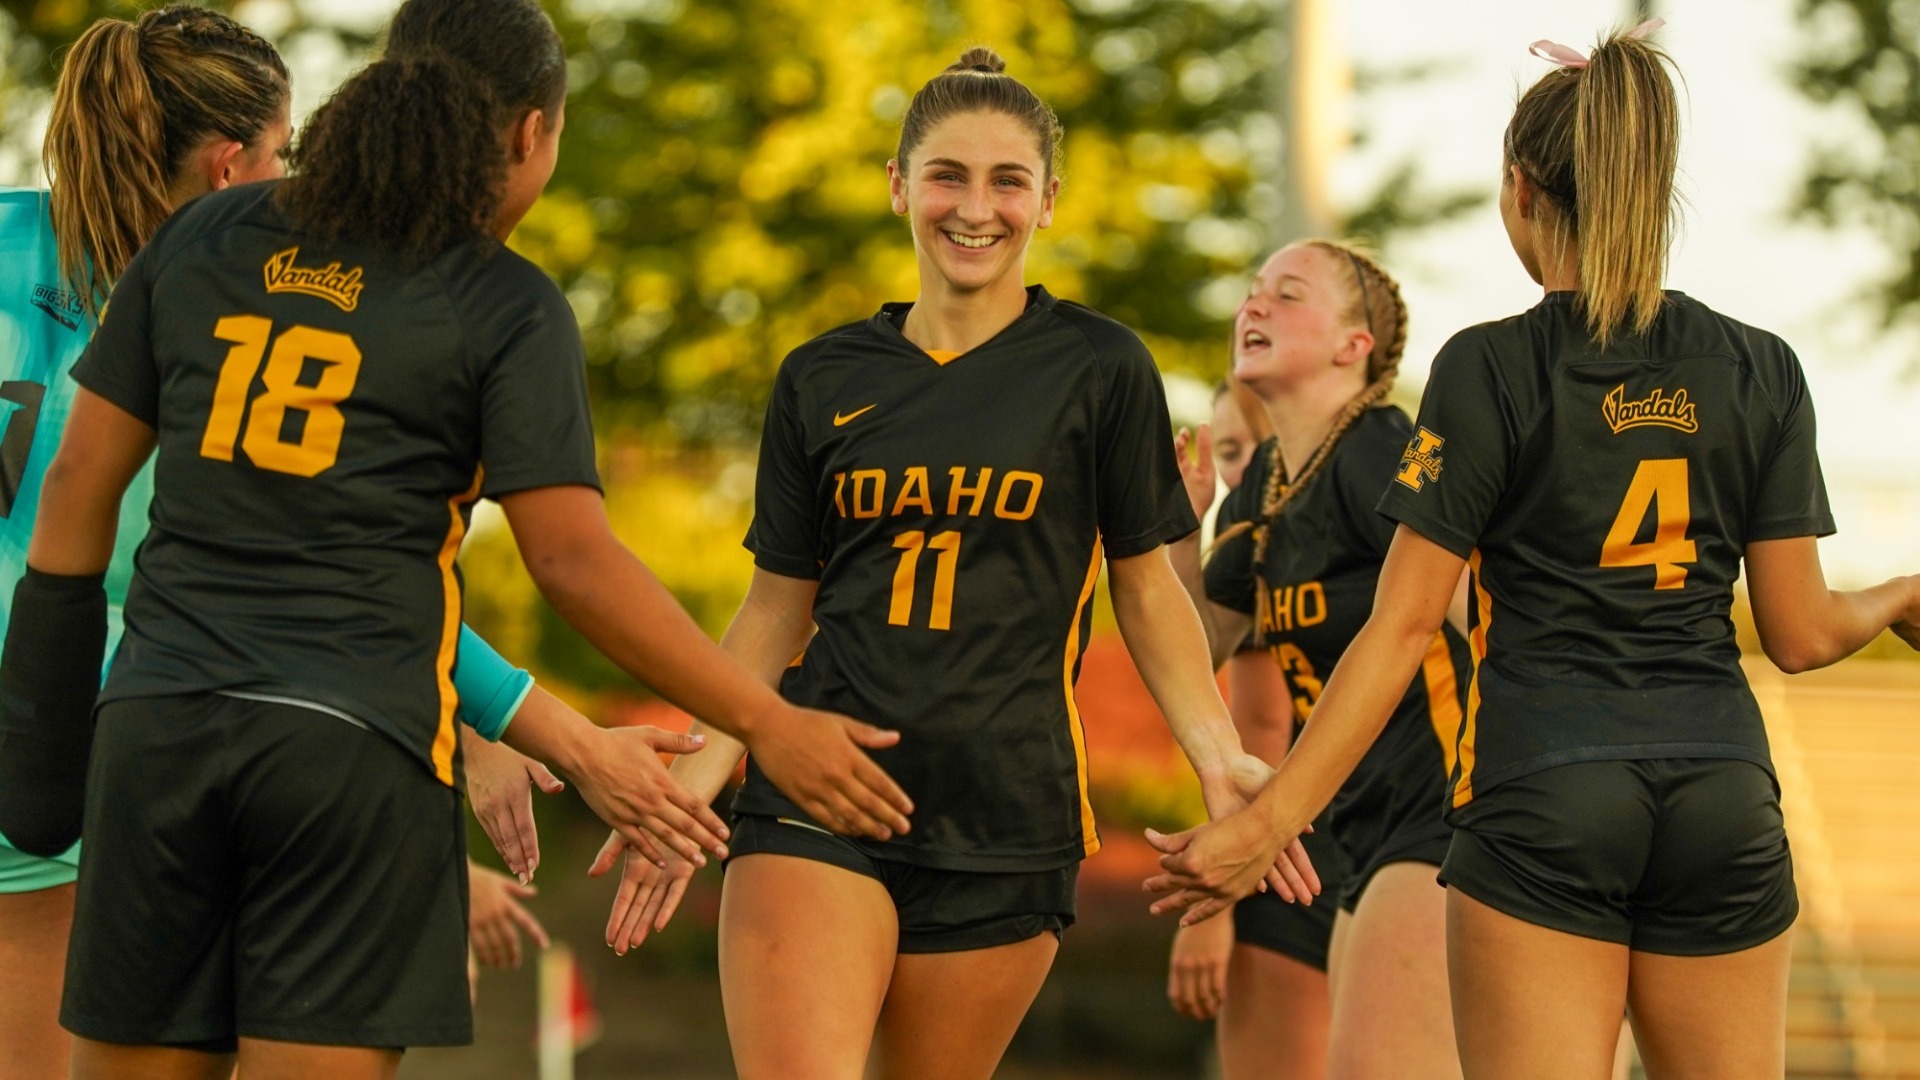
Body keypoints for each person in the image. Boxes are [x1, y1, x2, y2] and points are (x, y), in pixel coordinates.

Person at [3, 0, 914, 1075]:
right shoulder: (503, 304)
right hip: (347, 760)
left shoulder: (201, 239)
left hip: (159, 735)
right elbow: (570, 563)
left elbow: (76, 489)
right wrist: (767, 720)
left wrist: (42, 730)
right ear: (531, 134)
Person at [1146, 22, 1920, 1080]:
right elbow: (1799, 632)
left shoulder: (1489, 366)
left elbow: (1405, 622)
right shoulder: (1762, 368)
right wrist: (1899, 597)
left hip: (1544, 786)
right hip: (1721, 787)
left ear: (1520, 191)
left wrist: (1266, 821)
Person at [593, 46, 1318, 1080]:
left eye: (1007, 180)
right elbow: (775, 608)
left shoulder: (1101, 367)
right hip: (820, 786)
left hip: (1006, 813)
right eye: (947, 174)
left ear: (1048, 201)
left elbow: (1144, 583)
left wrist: (1211, 755)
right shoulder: (821, 377)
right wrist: (704, 774)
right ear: (899, 186)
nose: (975, 207)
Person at [1166, 241, 1469, 1078]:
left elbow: (1485, 612)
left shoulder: (1380, 445)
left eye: (1287, 294)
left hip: (1449, 814)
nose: (1252, 307)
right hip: (1359, 827)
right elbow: (1195, 653)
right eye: (1252, 290)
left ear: (1353, 346)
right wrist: (1179, 538)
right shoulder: (1266, 476)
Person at [1164, 382, 1343, 1080]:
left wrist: (1212, 908)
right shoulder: (1277, 542)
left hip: (1290, 858)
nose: (1237, 472)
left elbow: (1260, 726)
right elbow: (1193, 651)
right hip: (1344, 842)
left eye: (1247, 450)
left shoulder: (1288, 550)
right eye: (1227, 451)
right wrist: (1186, 536)